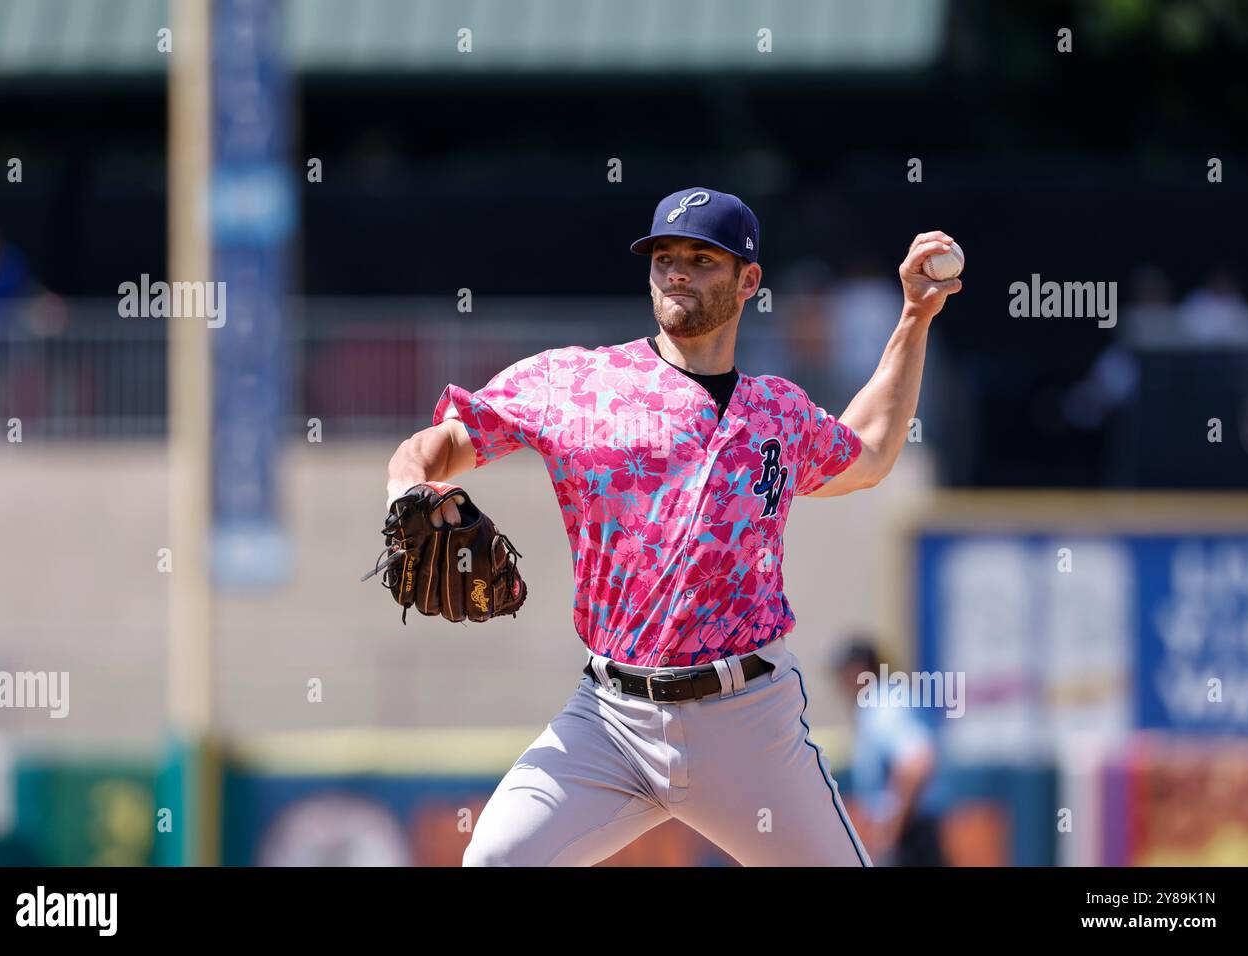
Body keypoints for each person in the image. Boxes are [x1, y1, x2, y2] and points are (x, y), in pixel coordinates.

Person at [384, 186, 962, 866]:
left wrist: (915, 320)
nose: (678, 271)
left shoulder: (777, 412)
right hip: (609, 721)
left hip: (748, 724)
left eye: (702, 258)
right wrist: (410, 491)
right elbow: (437, 444)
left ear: (749, 281)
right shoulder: (575, 385)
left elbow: (866, 452)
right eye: (664, 256)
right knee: (493, 861)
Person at [833, 639, 947, 866]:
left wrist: (890, 832)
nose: (840, 684)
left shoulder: (882, 705)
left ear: (859, 670)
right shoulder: (884, 701)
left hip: (910, 836)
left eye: (843, 674)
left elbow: (917, 762)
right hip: (911, 831)